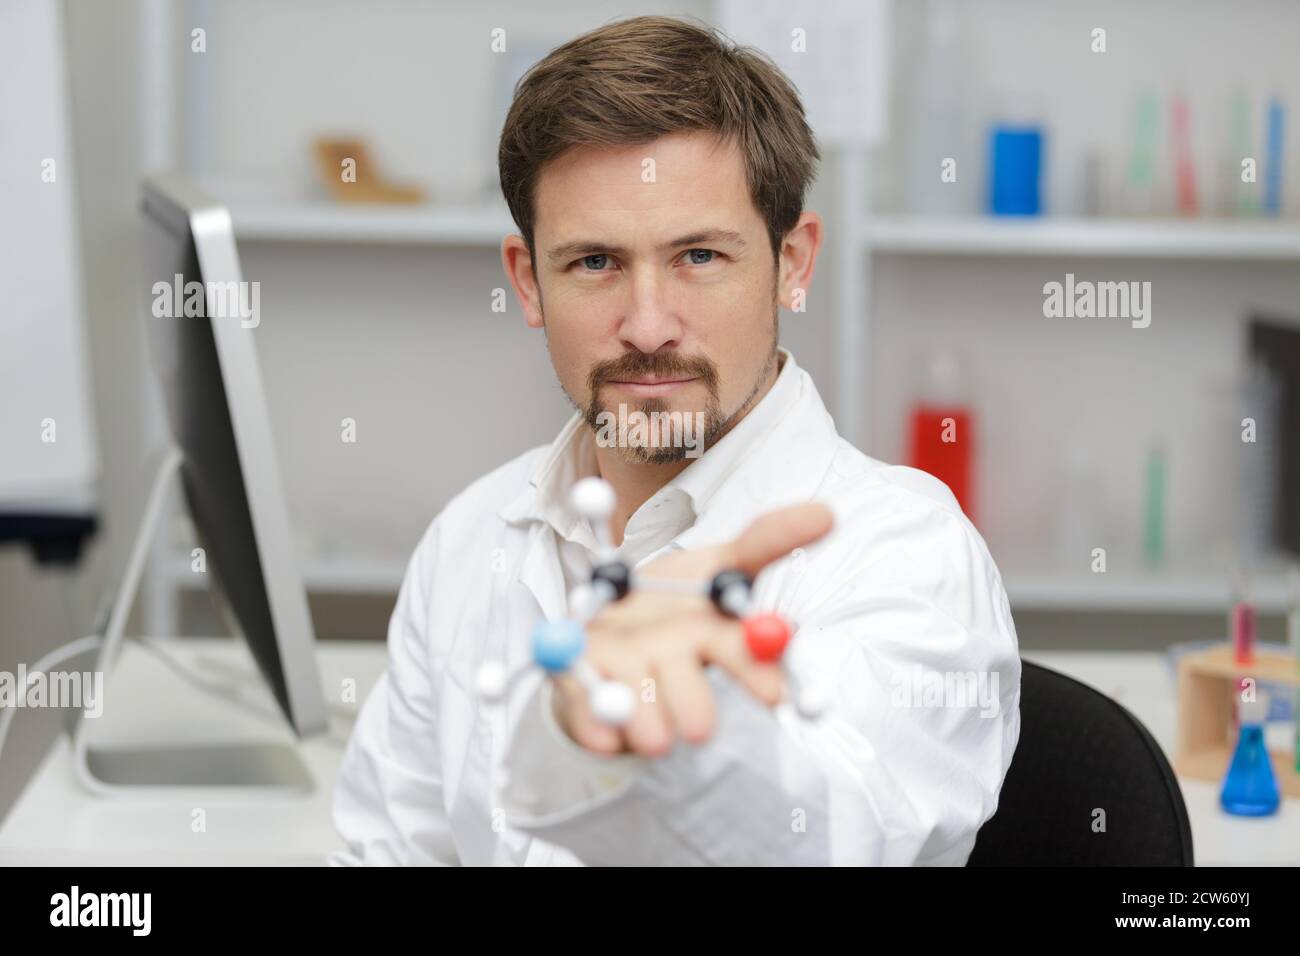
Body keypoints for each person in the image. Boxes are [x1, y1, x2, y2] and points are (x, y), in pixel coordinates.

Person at [331, 15, 1020, 866]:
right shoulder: (471, 538)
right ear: (527, 281)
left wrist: (642, 729)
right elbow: (388, 852)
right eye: (594, 262)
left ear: (794, 263)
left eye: (698, 257)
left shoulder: (907, 553)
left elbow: (839, 833)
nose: (649, 325)